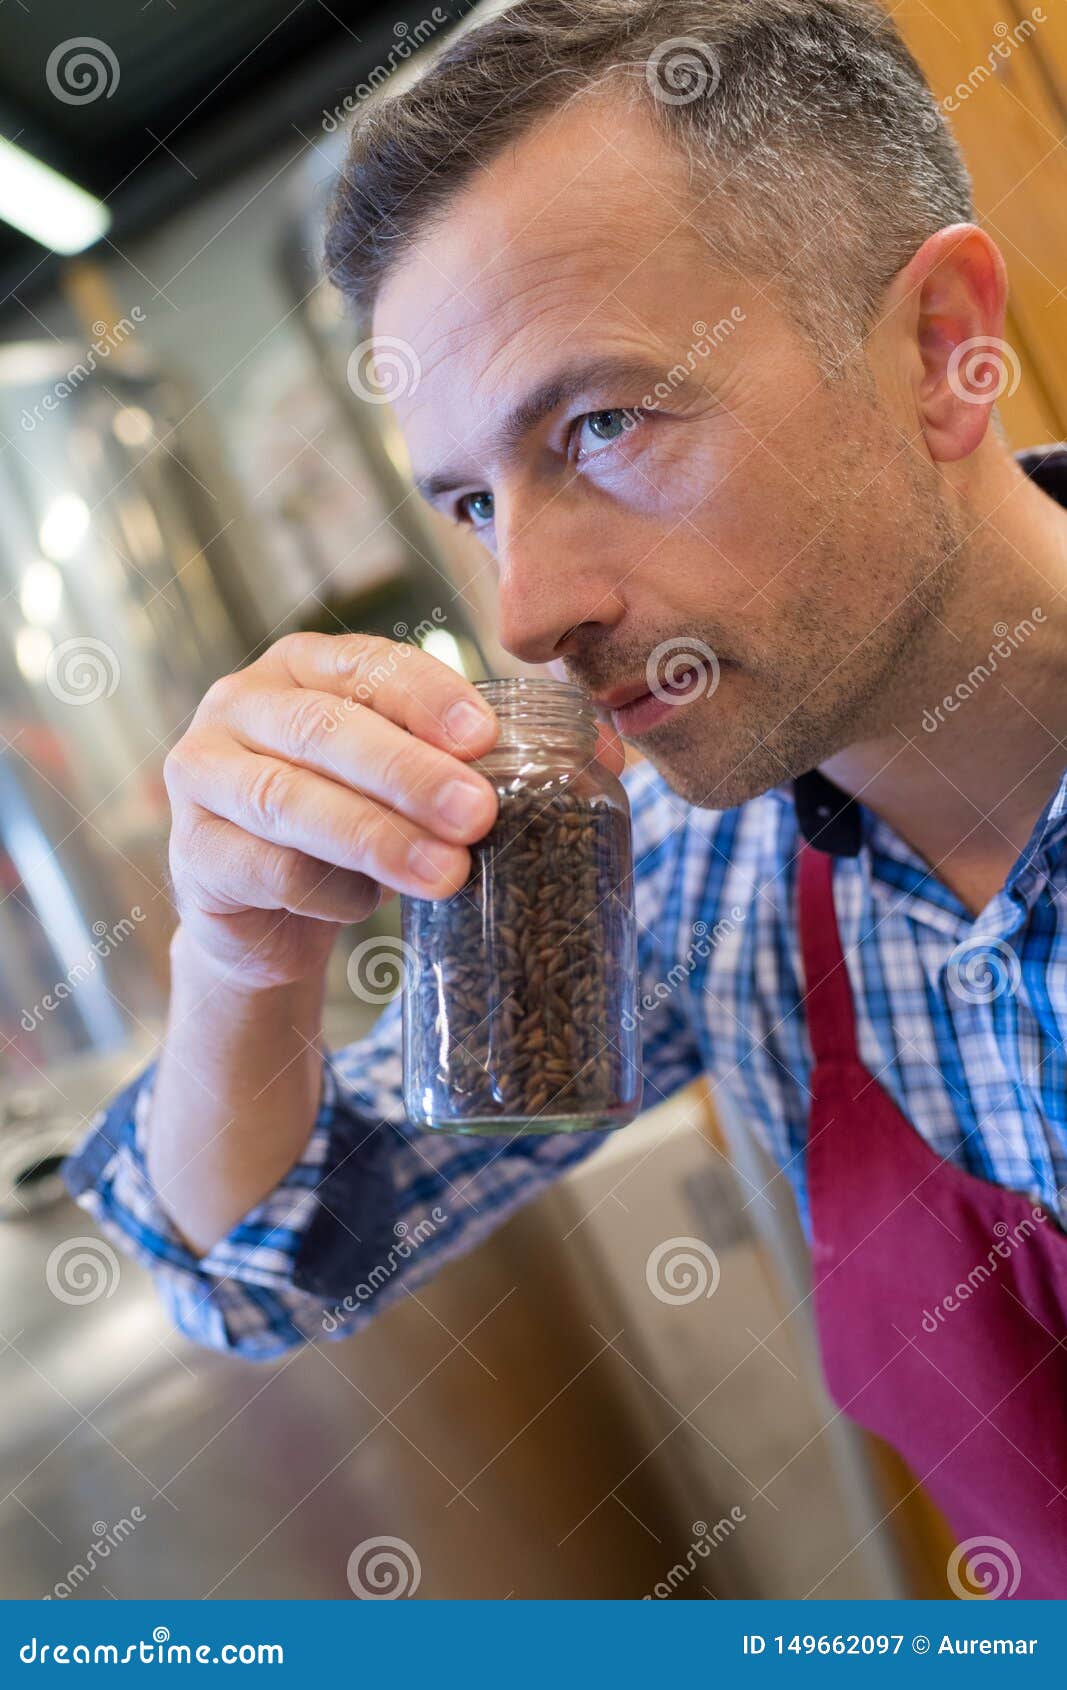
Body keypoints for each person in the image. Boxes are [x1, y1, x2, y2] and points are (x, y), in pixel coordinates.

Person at [65, 0, 1067, 1592]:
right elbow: (265, 1262)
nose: (522, 609)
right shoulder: (692, 876)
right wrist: (243, 962)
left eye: (600, 424)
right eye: (470, 497)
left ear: (945, 343)